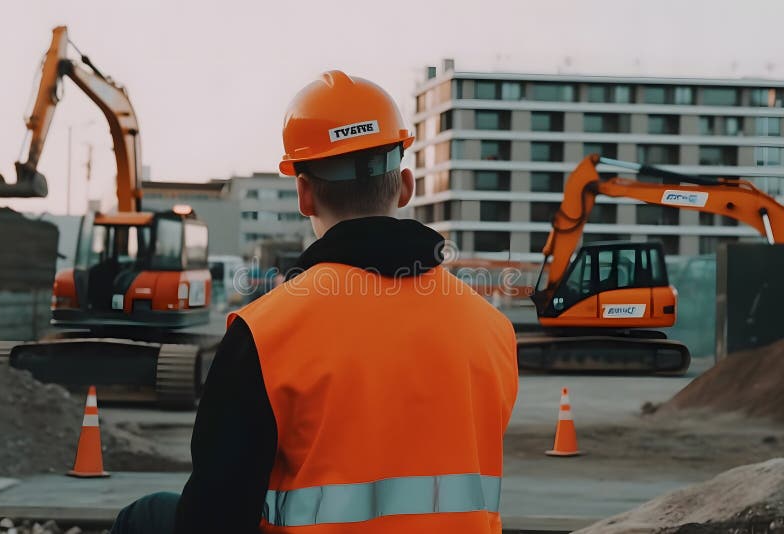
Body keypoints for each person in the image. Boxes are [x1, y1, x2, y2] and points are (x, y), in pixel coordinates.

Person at [111, 70, 518, 534]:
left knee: (145, 518)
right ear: (405, 185)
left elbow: (214, 513)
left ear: (305, 195)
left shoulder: (265, 334)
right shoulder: (491, 329)